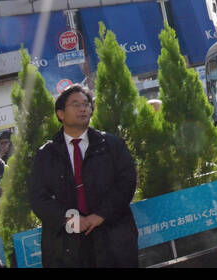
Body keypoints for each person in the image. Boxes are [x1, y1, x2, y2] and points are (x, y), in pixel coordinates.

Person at [29, 84, 139, 267]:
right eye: (75, 104)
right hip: (68, 244)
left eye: (86, 104)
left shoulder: (111, 144)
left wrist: (100, 215)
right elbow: (38, 198)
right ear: (60, 114)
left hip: (112, 236)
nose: (83, 108)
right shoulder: (46, 154)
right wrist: (68, 218)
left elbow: (126, 183)